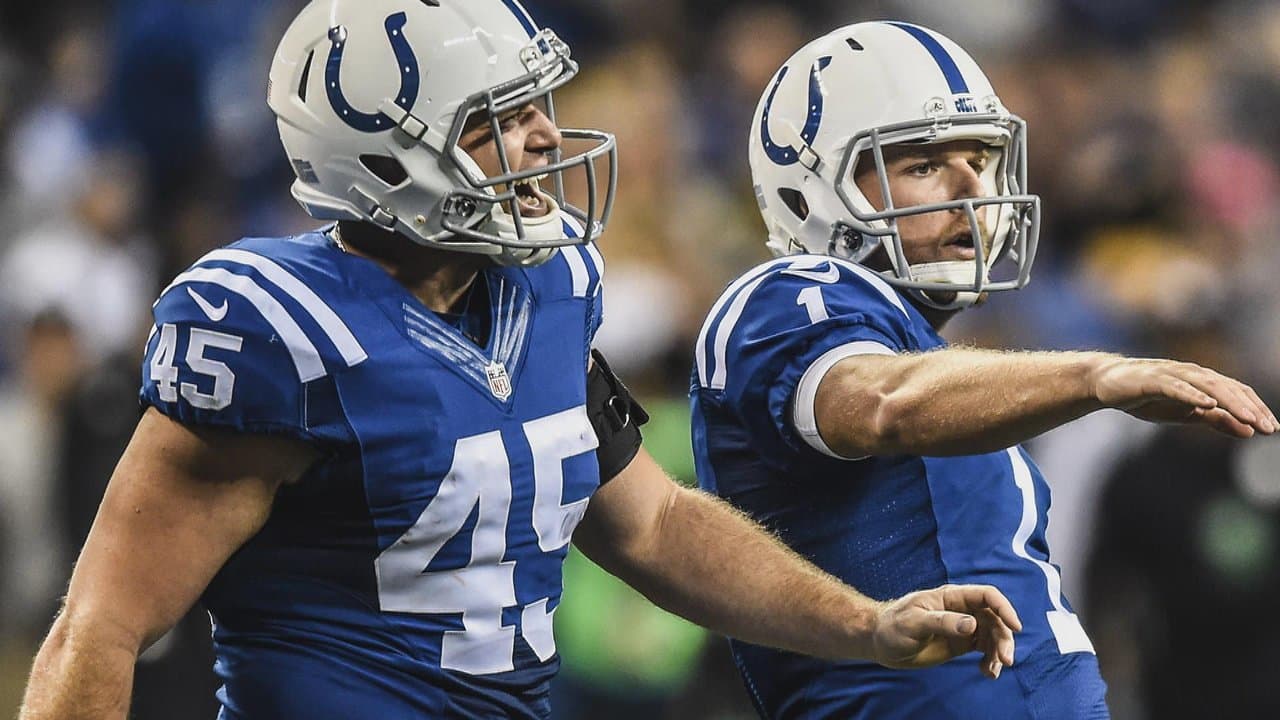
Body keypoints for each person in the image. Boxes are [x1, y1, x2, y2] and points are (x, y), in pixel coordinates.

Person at [19, 3, 1024, 719]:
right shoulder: (281, 339)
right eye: (500, 119)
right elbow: (98, 630)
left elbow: (655, 524)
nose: (547, 136)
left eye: (537, 101)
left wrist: (862, 622)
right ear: (381, 159)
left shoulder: (545, 293)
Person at [690, 20, 1277, 720]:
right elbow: (876, 403)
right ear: (809, 193)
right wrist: (1093, 377)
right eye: (925, 164)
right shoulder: (787, 295)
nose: (973, 188)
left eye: (983, 159)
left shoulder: (927, 351)